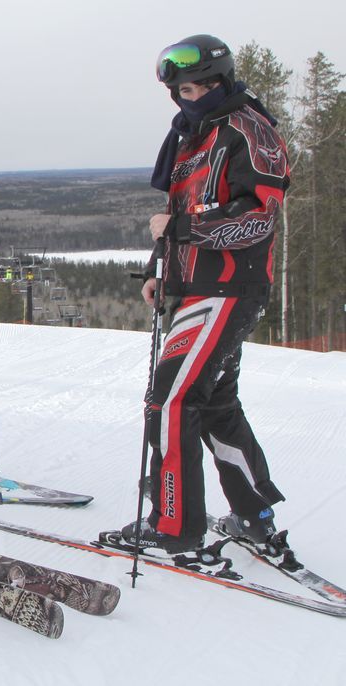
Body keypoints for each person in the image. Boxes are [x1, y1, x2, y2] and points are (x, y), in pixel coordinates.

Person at [119, 34, 290, 553]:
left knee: (169, 401)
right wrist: (159, 270)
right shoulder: (193, 136)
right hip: (193, 286)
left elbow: (259, 216)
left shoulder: (247, 129)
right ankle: (254, 514)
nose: (190, 95)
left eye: (200, 85)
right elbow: (176, 221)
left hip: (228, 287)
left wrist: (183, 229)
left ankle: (174, 526)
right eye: (182, 89)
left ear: (223, 79)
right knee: (214, 403)